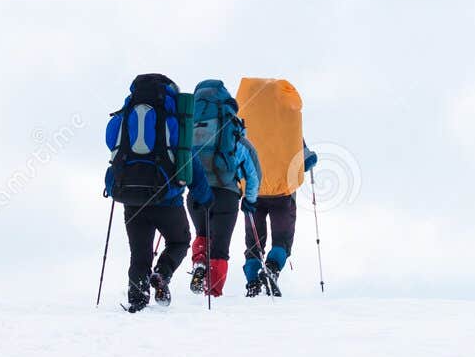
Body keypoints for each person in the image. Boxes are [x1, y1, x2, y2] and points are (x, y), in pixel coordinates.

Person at [104, 73, 191, 312]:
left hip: (130, 194)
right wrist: (202, 194)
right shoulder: (174, 116)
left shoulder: (126, 110)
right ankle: (162, 273)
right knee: (180, 240)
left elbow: (111, 140)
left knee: (139, 252)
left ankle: (137, 297)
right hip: (167, 197)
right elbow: (186, 154)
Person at [234, 77, 317, 297]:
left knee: (254, 241)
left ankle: (252, 282)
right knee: (282, 239)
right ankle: (271, 268)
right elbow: (307, 161)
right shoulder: (288, 128)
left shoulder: (244, 124)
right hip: (282, 193)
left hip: (253, 191)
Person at [184, 80, 261, 298]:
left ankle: (199, 263)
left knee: (202, 233)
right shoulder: (233, 130)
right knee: (220, 246)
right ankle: (213, 291)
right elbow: (253, 171)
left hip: (197, 193)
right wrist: (250, 199)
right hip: (227, 195)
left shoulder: (190, 126)